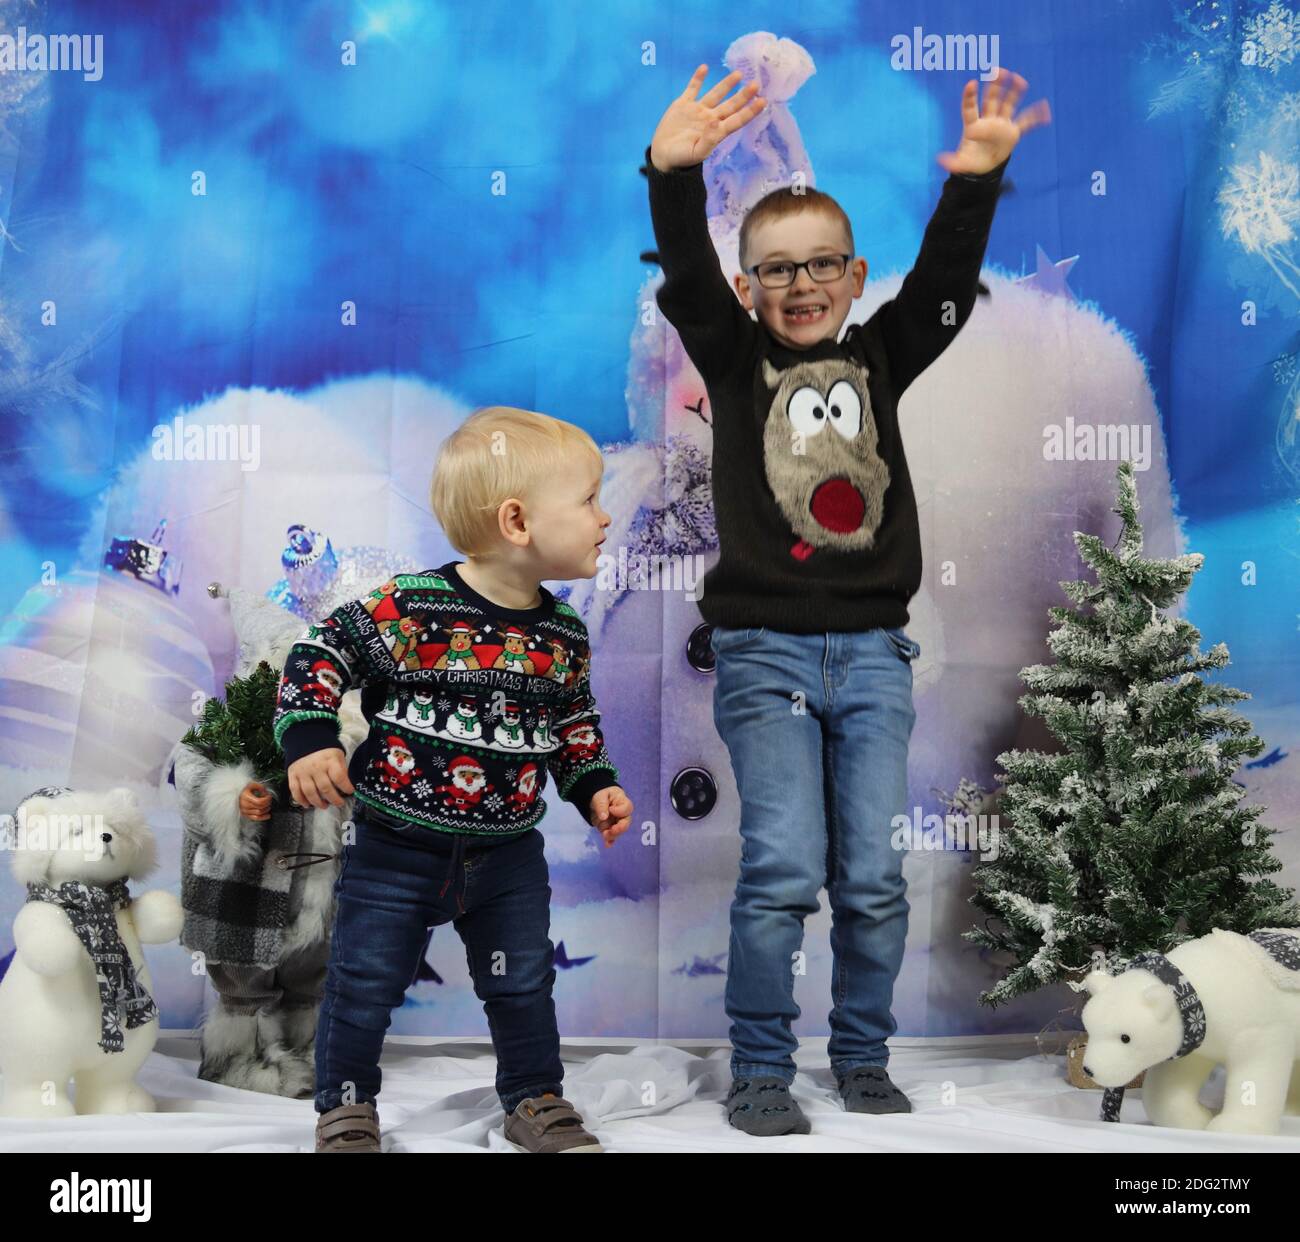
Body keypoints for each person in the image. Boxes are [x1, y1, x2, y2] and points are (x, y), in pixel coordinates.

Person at [646, 64, 1050, 1135]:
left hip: (873, 654)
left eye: (821, 263)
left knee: (871, 873)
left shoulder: (879, 355)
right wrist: (672, 173)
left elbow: (944, 291)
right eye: (774, 269)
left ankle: (862, 1055)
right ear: (747, 290)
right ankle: (762, 1068)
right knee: (781, 865)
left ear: (852, 272)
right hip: (764, 655)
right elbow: (684, 274)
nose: (799, 283)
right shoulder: (731, 362)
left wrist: (975, 183)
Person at [273, 405, 634, 1152]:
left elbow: (571, 723)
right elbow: (319, 654)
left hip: (505, 856)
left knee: (523, 982)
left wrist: (592, 782)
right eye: (590, 499)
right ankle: (345, 1105)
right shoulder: (411, 608)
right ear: (517, 520)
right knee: (364, 979)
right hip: (395, 846)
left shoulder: (562, 635)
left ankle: (534, 1097)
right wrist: (310, 738)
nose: (605, 517)